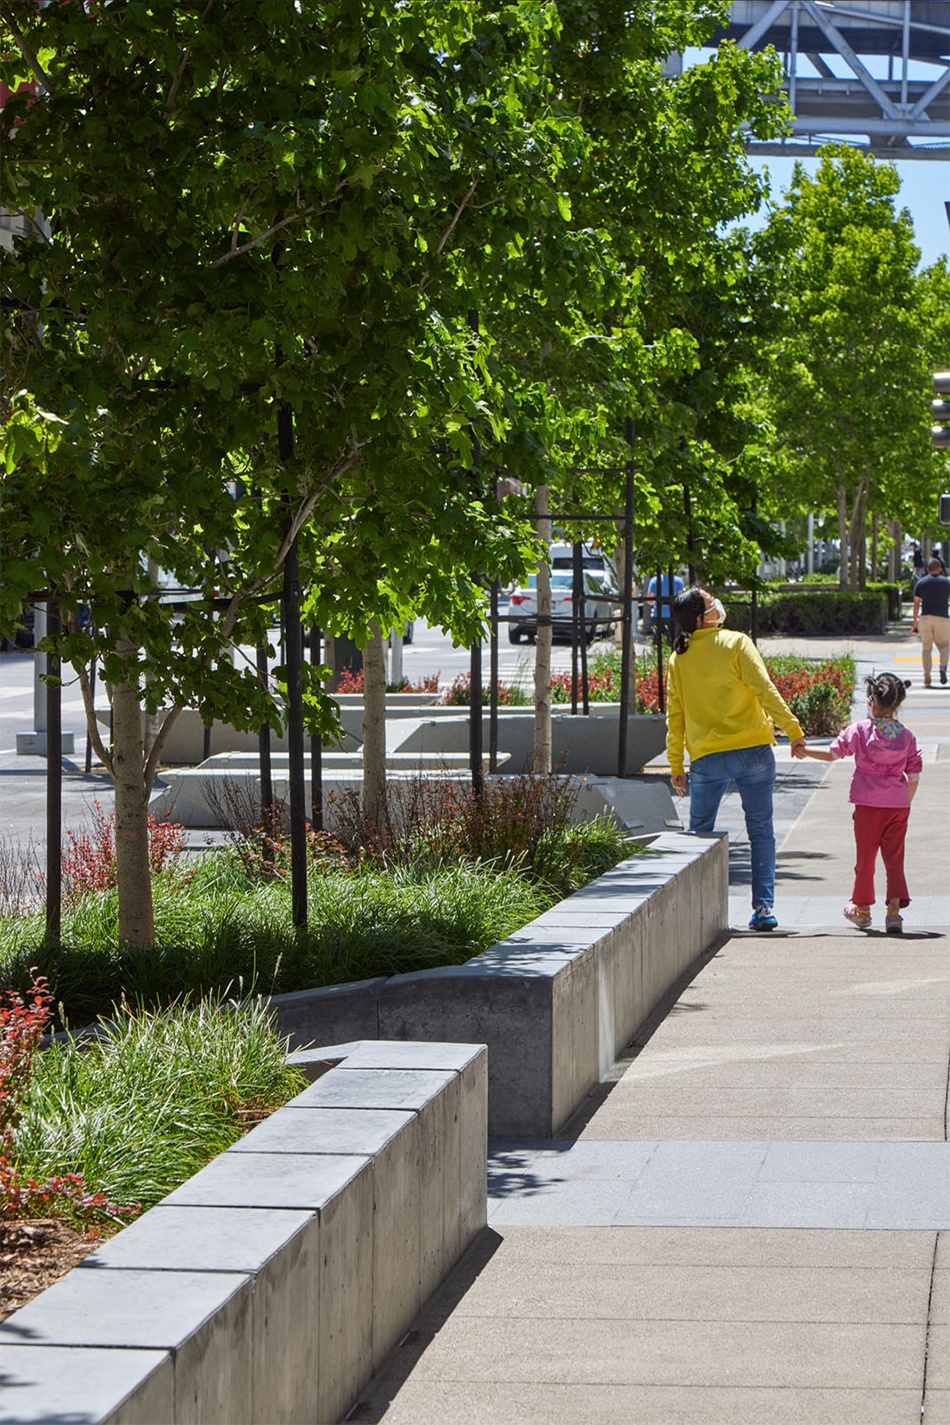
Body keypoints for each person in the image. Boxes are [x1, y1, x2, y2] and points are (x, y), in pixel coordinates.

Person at [666, 586, 806, 932]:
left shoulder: (678, 658)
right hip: (752, 751)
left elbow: (675, 717)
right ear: (702, 618)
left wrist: (676, 765)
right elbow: (765, 689)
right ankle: (763, 908)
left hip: (706, 758)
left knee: (699, 834)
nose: (716, 603)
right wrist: (793, 730)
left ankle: (695, 915)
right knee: (761, 831)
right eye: (710, 602)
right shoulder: (737, 643)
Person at [793, 673, 921, 934]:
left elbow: (832, 753)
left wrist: (803, 750)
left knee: (865, 858)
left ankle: (862, 909)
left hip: (867, 805)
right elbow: (914, 775)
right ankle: (894, 913)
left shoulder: (861, 730)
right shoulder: (907, 736)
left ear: (872, 701)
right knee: (895, 859)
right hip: (897, 806)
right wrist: (904, 801)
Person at [911, 558, 950, 687]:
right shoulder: (947, 582)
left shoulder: (921, 582)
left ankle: (927, 677)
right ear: (939, 568)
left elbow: (916, 603)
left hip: (926, 617)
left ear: (928, 569)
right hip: (942, 617)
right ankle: (943, 667)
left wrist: (915, 622)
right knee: (944, 645)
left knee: (926, 648)